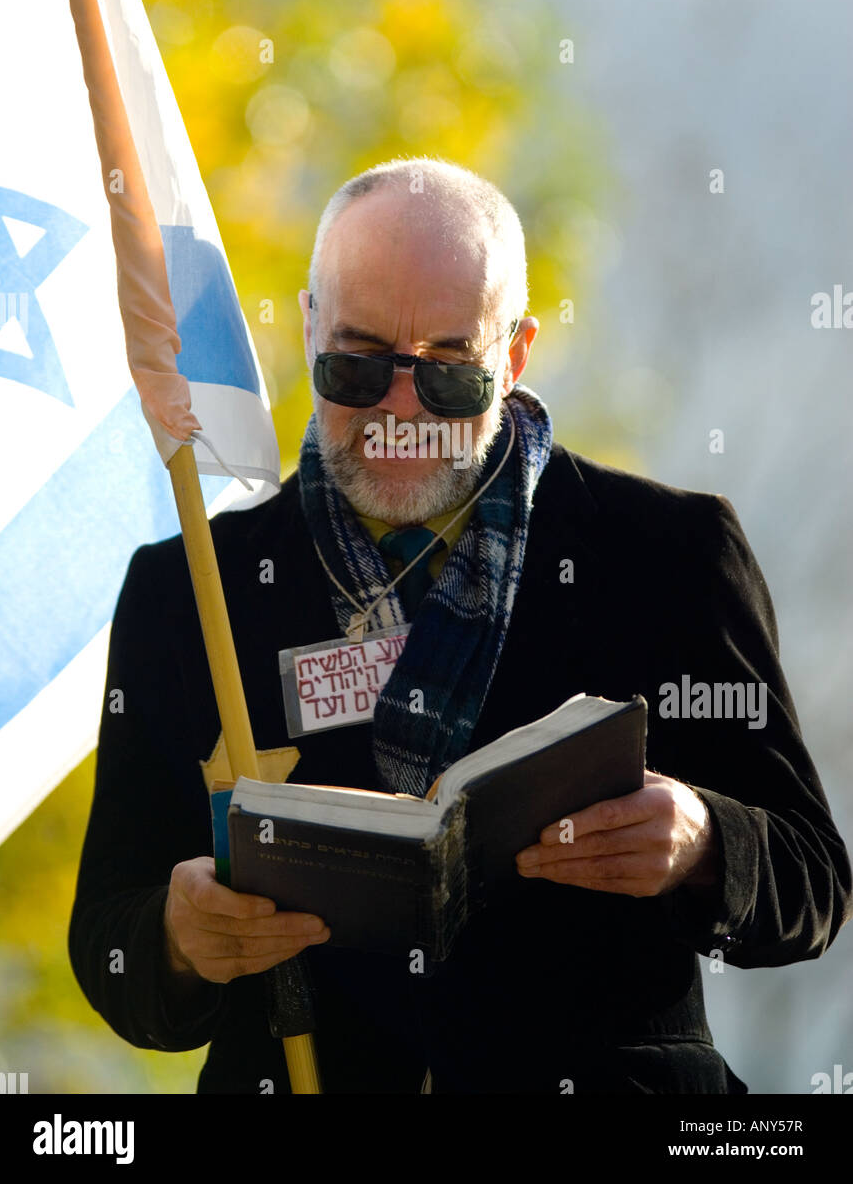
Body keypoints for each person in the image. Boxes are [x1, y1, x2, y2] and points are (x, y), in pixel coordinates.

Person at [69, 157, 852, 1094]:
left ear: (513, 357)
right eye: (356, 366)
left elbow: (813, 884)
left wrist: (701, 839)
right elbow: (110, 940)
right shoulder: (189, 586)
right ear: (309, 327)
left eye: (447, 377)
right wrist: (179, 938)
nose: (401, 410)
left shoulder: (670, 553)